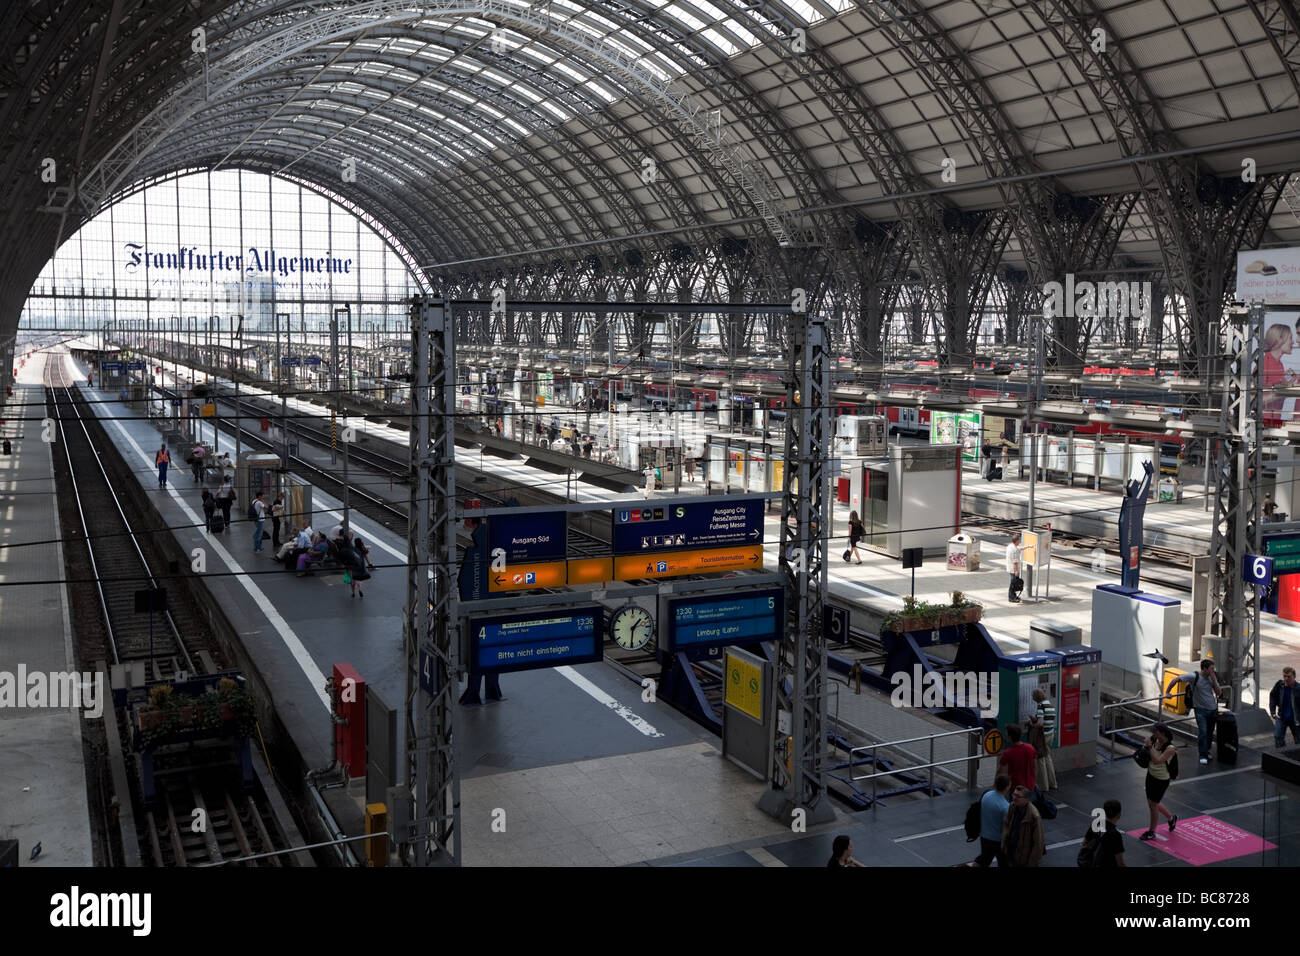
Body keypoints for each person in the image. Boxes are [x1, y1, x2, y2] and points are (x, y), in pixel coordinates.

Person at [1172, 658, 1221, 764]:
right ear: (1204, 668)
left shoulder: (1212, 678)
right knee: (1203, 732)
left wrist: (1214, 680)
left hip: (1213, 709)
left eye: (1214, 669)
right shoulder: (1194, 677)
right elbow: (1176, 679)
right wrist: (1168, 692)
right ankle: (1202, 754)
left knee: (1209, 732)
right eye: (1211, 669)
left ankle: (1207, 750)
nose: (1213, 671)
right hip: (1201, 710)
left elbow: (1218, 693)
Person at [1139, 723, 1179, 841]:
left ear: (1162, 733)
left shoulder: (1170, 749)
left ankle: (1152, 832)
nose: (1153, 734)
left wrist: (1149, 747)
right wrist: (1147, 746)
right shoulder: (1154, 740)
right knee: (1152, 803)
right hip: (1150, 775)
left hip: (1161, 779)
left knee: (1153, 805)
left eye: (1155, 732)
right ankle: (1171, 818)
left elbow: (1157, 761)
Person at [1000, 786, 1045, 867]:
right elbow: (1006, 823)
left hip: (1024, 857)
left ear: (1026, 799)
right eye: (1014, 794)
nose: (1014, 798)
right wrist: (1004, 843)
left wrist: (1031, 861)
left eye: (1018, 796)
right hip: (1011, 850)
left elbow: (1038, 841)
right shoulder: (1012, 806)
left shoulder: (1034, 816)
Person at [972, 774, 1011, 867]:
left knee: (983, 859)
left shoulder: (987, 795)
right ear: (1007, 787)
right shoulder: (1005, 806)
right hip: (998, 840)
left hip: (984, 836)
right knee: (1003, 862)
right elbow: (1006, 827)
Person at [1028, 687, 1059, 791]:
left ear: (1037, 697)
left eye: (1033, 697)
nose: (1033, 699)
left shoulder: (1041, 706)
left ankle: (1043, 786)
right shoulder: (1050, 705)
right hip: (1050, 734)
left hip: (1043, 736)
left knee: (1040, 759)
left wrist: (1032, 723)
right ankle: (1053, 783)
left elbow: (1040, 723)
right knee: (1047, 757)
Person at [1083, 799, 1126, 867]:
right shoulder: (1115, 835)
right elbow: (1120, 863)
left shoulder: (1097, 823)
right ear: (1119, 815)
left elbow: (1084, 842)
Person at [1262, 323, 1295, 413]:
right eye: (1290, 338)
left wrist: (1289, 381)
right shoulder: (1265, 364)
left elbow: (1274, 387)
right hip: (1264, 421)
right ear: (1279, 340)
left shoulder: (1279, 364)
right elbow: (1253, 398)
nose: (1293, 342)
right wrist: (1283, 390)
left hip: (1274, 420)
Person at [997, 723, 1037, 793]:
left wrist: (996, 786)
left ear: (1009, 737)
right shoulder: (1031, 748)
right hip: (1030, 786)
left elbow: (1000, 771)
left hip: (1016, 788)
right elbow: (1035, 767)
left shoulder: (1007, 753)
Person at [1270, 666, 1300, 749]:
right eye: (1284, 676)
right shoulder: (1280, 685)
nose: (1286, 679)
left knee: (1298, 740)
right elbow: (1272, 696)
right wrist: (1272, 711)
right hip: (1282, 717)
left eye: (1289, 677)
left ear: (1294, 677)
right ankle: (1283, 755)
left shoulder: (1298, 689)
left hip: (1295, 719)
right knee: (1278, 737)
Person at [1005, 532, 1023, 603]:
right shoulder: (1014, 550)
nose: (1020, 541)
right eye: (1019, 540)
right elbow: (1015, 562)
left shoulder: (1010, 546)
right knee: (1013, 584)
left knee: (1013, 583)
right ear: (1017, 541)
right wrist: (1016, 571)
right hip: (1013, 569)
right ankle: (1011, 598)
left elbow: (1018, 549)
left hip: (1009, 567)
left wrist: (1027, 547)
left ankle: (1012, 596)